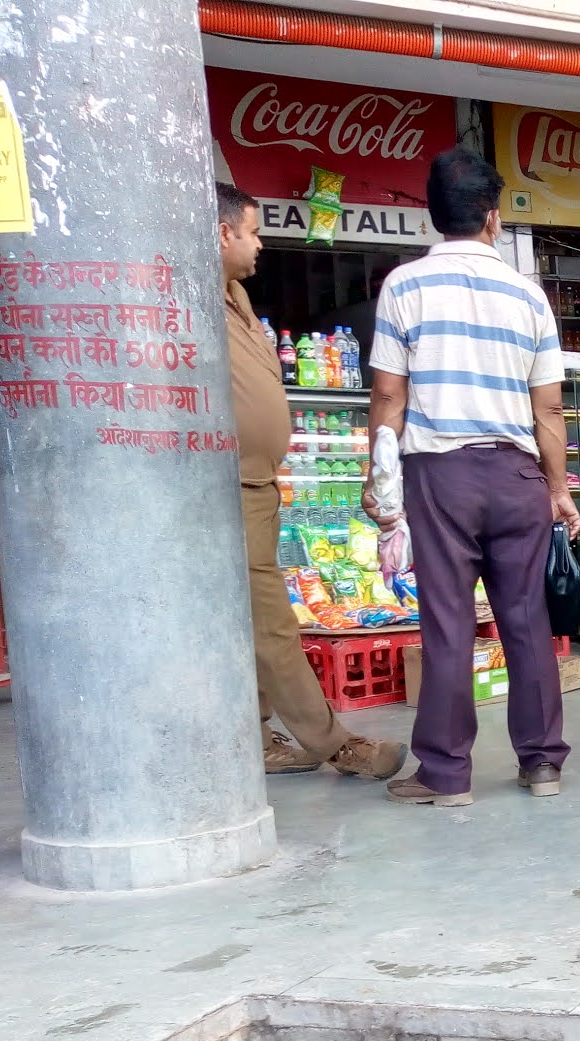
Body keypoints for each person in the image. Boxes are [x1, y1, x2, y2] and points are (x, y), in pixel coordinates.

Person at [363, 147, 578, 807]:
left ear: (435, 216)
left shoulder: (404, 285)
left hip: (440, 477)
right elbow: (548, 409)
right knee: (526, 620)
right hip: (516, 475)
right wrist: (558, 488)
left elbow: (389, 397)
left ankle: (446, 774)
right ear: (492, 218)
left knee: (449, 624)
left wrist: (380, 481)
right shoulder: (529, 294)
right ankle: (542, 764)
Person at [217, 183, 403, 784]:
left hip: (259, 483)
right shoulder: (192, 295)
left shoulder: (237, 296)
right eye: (253, 231)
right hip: (226, 486)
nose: (261, 244)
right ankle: (335, 744)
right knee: (272, 623)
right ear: (223, 233)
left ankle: (256, 737)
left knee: (248, 619)